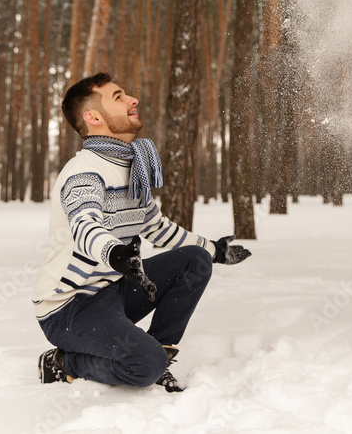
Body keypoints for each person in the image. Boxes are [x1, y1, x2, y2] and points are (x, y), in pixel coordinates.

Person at [33, 73, 251, 392]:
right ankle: (63, 362)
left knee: (195, 259)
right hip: (69, 306)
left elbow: (156, 227)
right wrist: (115, 253)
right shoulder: (84, 173)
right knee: (143, 366)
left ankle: (160, 352)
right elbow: (85, 224)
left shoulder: (132, 167)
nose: (133, 100)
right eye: (118, 97)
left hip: (114, 290)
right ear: (93, 117)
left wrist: (214, 250)